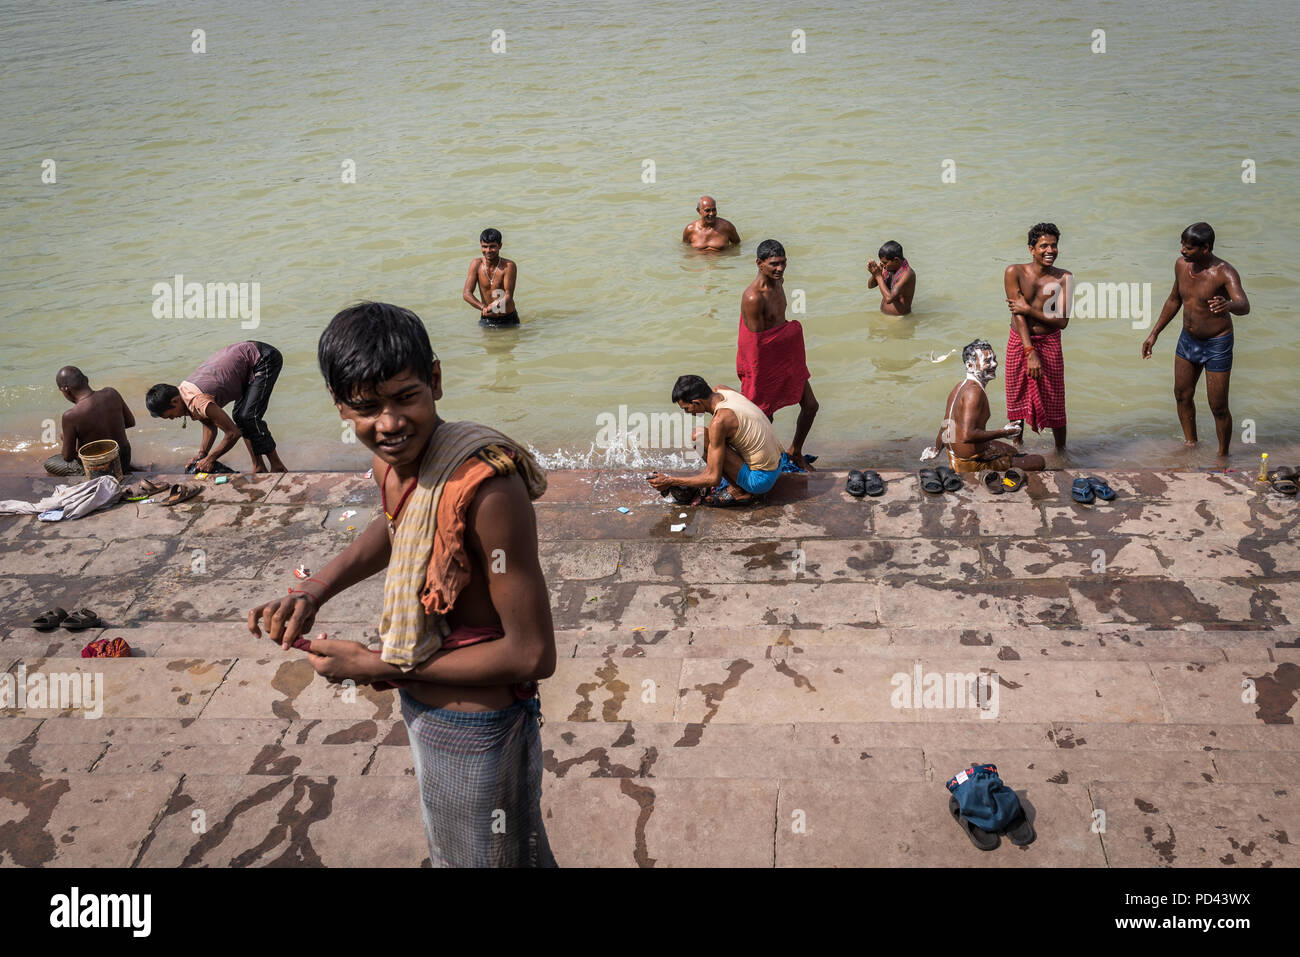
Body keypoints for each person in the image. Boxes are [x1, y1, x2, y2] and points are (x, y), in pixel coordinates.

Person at [247, 302, 557, 868]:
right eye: (366, 408)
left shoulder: (489, 492)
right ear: (340, 406)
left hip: (478, 725)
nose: (388, 423)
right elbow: (401, 523)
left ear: (435, 380)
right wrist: (314, 589)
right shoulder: (391, 461)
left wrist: (378, 666)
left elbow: (532, 653)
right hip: (425, 705)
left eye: (405, 397)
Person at [1141, 222, 1251, 456]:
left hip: (1217, 343)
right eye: (1182, 244)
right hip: (1188, 339)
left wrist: (1229, 305)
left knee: (1218, 406)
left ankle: (1223, 455)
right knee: (1181, 394)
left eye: (1189, 247)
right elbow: (1174, 300)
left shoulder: (1224, 272)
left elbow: (1244, 305)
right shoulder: (1181, 266)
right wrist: (1154, 333)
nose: (1182, 250)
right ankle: (1191, 444)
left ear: (1205, 248)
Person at [737, 239, 818, 470]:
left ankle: (795, 451)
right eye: (773, 264)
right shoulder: (753, 298)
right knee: (763, 417)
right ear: (759, 264)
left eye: (783, 263)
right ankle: (759, 463)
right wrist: (792, 331)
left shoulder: (778, 281)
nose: (779, 269)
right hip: (764, 363)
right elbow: (756, 344)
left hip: (785, 356)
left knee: (811, 406)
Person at [145, 341, 286, 473]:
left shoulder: (196, 400)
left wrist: (211, 459)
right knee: (240, 417)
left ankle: (277, 466)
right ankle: (259, 466)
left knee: (248, 417)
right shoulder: (184, 392)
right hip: (246, 361)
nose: (173, 418)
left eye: (170, 415)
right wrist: (202, 455)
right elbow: (209, 425)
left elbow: (233, 433)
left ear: (175, 401)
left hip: (262, 358)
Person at [647, 375, 785, 506]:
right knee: (702, 436)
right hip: (780, 461)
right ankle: (737, 480)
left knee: (699, 438)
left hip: (761, 481)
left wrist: (671, 481)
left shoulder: (719, 422)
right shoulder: (722, 390)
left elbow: (714, 478)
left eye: (686, 408)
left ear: (696, 402)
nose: (687, 413)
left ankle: (741, 491)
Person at [924, 339, 1044, 473]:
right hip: (970, 462)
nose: (994, 364)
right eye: (987, 361)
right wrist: (1004, 432)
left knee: (1013, 450)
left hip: (954, 455)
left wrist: (937, 449)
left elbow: (946, 425)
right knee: (1039, 461)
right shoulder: (974, 393)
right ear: (970, 366)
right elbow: (968, 435)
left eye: (994, 359)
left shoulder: (960, 386)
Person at [1004, 223, 1072, 451]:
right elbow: (1017, 315)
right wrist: (1029, 351)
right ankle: (1017, 446)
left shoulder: (1064, 278)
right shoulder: (1014, 272)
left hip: (1050, 341)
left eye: (1054, 245)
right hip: (1019, 341)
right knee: (1017, 396)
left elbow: (1062, 321)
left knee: (1054, 397)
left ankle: (1061, 451)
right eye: (1044, 245)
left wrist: (1029, 309)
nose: (1050, 250)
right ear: (1031, 249)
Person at [45, 367, 136, 476]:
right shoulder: (111, 393)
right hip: (124, 459)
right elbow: (130, 422)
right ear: (87, 379)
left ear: (65, 390)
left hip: (100, 469)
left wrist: (66, 438)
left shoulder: (70, 416)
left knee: (50, 462)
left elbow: (67, 457)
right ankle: (125, 468)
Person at [462, 228, 519, 327]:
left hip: (508, 318)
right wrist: (483, 307)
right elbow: (466, 293)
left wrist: (494, 305)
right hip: (487, 318)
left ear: (500, 246)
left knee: (511, 342)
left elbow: (508, 295)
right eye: (484, 247)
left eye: (492, 247)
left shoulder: (508, 266)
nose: (488, 251)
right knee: (487, 343)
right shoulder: (476, 264)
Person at [866, 241, 915, 315]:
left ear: (896, 260)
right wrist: (874, 273)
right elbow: (870, 286)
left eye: (885, 262)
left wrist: (878, 276)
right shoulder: (888, 267)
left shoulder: (907, 274)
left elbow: (889, 299)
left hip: (900, 320)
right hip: (886, 318)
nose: (883, 265)